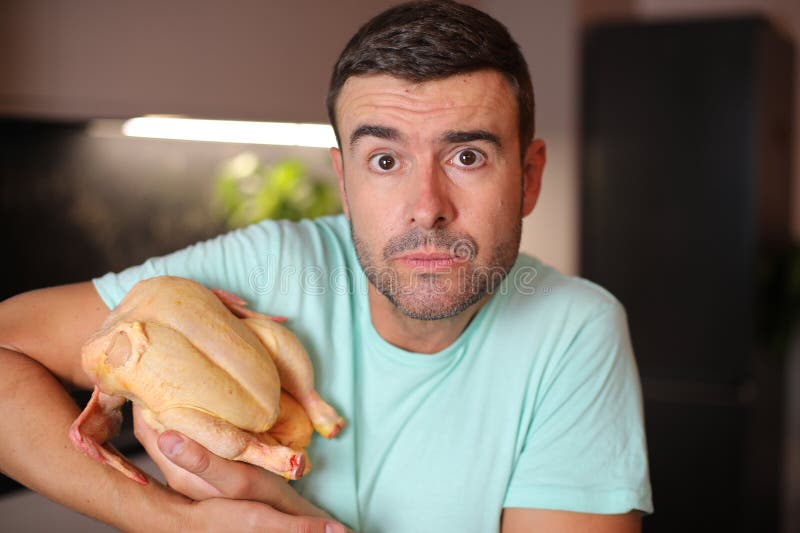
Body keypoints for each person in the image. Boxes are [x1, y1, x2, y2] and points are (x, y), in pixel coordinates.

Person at [0, 1, 653, 531]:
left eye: (467, 157)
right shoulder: (278, 266)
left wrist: (297, 520)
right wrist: (164, 519)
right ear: (344, 181)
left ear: (530, 178)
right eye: (386, 161)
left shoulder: (572, 331)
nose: (427, 209)